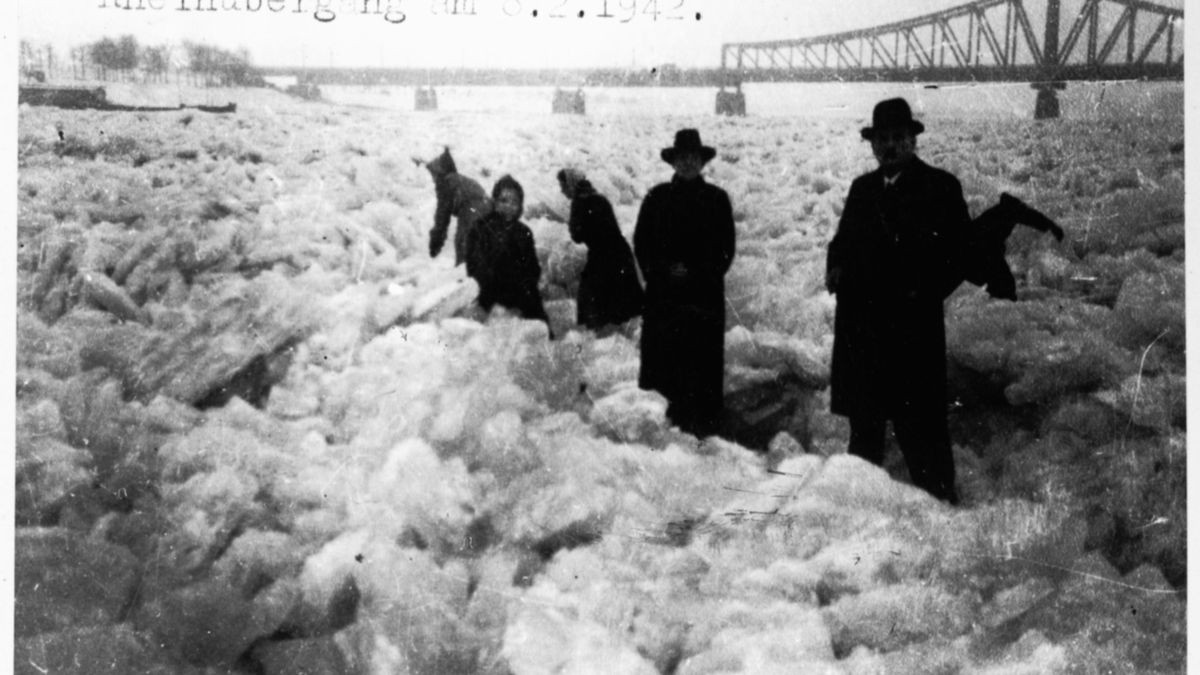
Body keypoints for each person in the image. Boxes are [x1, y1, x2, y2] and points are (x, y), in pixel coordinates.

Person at [824, 97, 969, 504]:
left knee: (921, 428)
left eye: (898, 138)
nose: (890, 146)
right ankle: (861, 514)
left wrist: (919, 292)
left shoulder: (940, 187)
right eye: (882, 139)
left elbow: (959, 255)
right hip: (863, 330)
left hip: (910, 332)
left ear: (912, 141)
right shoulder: (862, 189)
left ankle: (939, 507)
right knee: (865, 431)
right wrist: (835, 266)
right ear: (872, 144)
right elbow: (842, 242)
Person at [634, 129, 736, 438]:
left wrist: (694, 272)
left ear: (702, 161)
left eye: (693, 157)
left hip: (702, 300)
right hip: (664, 300)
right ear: (674, 161)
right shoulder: (656, 198)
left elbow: (725, 249)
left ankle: (703, 430)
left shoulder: (717, 200)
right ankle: (662, 432)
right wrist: (664, 271)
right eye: (682, 157)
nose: (688, 163)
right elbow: (642, 243)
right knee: (665, 368)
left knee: (700, 369)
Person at [556, 168, 644, 333]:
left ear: (570, 185)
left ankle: (600, 338)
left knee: (591, 298)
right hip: (620, 252)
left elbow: (577, 235)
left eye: (563, 186)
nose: (561, 190)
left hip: (604, 256)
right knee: (624, 298)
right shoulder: (598, 197)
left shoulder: (579, 202)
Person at [465, 174, 552, 335]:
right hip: (489, 291)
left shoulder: (524, 232)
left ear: (520, 206)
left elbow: (533, 268)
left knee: (536, 315)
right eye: (504, 201)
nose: (509, 207)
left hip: (519, 292)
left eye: (514, 202)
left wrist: (523, 283)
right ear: (495, 202)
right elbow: (474, 264)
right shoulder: (480, 228)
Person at [422, 147, 491, 265]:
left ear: (440, 172)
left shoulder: (446, 182)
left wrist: (434, 246)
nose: (433, 178)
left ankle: (464, 276)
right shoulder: (458, 179)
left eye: (434, 174)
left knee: (463, 242)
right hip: (488, 206)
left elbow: (442, 217)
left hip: (472, 209)